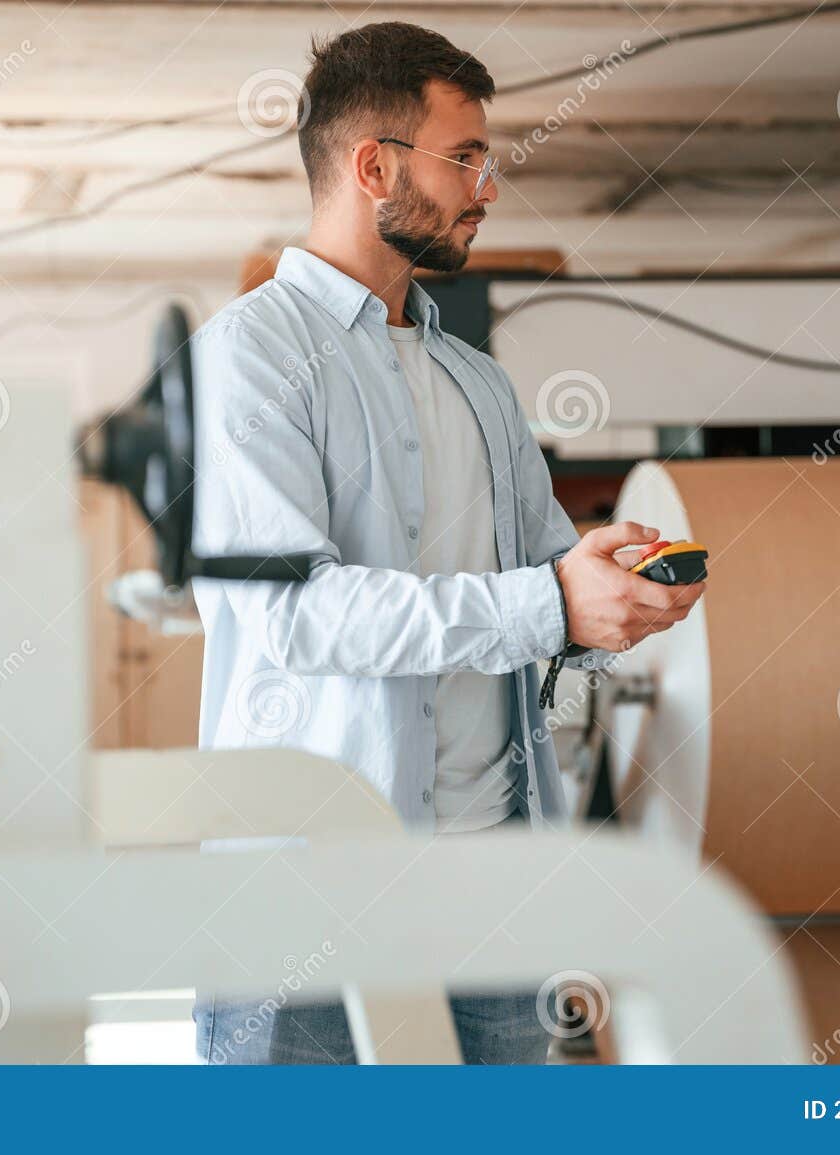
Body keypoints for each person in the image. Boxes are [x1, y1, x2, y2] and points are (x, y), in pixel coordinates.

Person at [189, 21, 705, 1064]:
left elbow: (539, 604)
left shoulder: (478, 383)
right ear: (372, 165)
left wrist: (605, 600)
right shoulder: (244, 361)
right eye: (464, 157)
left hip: (491, 906)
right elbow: (297, 613)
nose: (487, 187)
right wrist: (549, 605)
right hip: (304, 909)